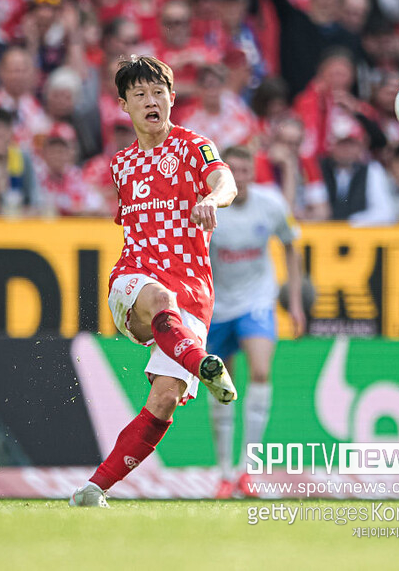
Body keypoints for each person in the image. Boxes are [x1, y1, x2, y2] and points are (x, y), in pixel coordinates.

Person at [69, 56, 239, 508]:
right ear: (124, 105)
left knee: (163, 400)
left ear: (171, 98)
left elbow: (225, 181)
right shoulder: (121, 164)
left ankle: (93, 489)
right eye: (140, 94)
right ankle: (205, 361)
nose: (151, 101)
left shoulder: (193, 145)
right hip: (134, 280)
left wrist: (212, 199)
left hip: (192, 296)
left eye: (158, 91)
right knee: (158, 295)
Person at [207, 146, 305, 498]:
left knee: (261, 372)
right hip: (216, 306)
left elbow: (292, 245)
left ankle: (248, 471)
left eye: (245, 170)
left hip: (257, 301)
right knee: (222, 388)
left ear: (252, 173)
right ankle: (223, 472)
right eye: (233, 170)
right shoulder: (208, 207)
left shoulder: (271, 203)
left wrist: (293, 302)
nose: (240, 177)